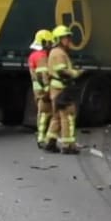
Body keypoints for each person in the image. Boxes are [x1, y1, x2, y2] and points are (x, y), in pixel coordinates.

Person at [44, 24, 83, 154]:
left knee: (56, 117)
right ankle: (67, 145)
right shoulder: (59, 53)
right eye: (66, 38)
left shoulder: (55, 52)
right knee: (68, 116)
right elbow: (62, 71)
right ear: (59, 39)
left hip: (56, 89)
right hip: (61, 89)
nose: (68, 40)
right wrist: (75, 73)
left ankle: (50, 142)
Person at [28, 29, 54, 148]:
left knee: (41, 113)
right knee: (46, 113)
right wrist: (47, 89)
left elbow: (34, 74)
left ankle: (41, 136)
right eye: (49, 42)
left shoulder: (33, 55)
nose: (51, 45)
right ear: (44, 42)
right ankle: (42, 138)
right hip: (43, 89)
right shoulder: (42, 56)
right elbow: (44, 75)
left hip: (37, 89)